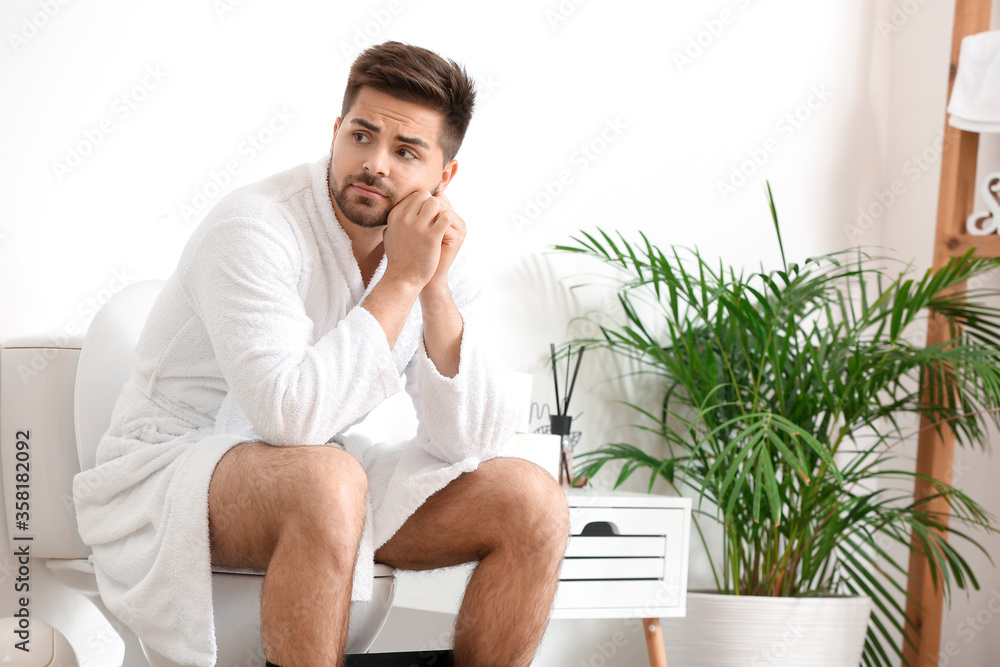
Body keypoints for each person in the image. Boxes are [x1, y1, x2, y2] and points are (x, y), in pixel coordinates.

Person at [72, 41, 569, 667]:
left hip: (320, 472)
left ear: (445, 177)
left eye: (406, 151)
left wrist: (436, 287)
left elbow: (473, 440)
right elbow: (291, 418)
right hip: (170, 468)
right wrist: (402, 282)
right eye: (361, 136)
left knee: (532, 500)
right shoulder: (254, 228)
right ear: (336, 132)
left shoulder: (431, 255)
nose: (375, 164)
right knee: (329, 481)